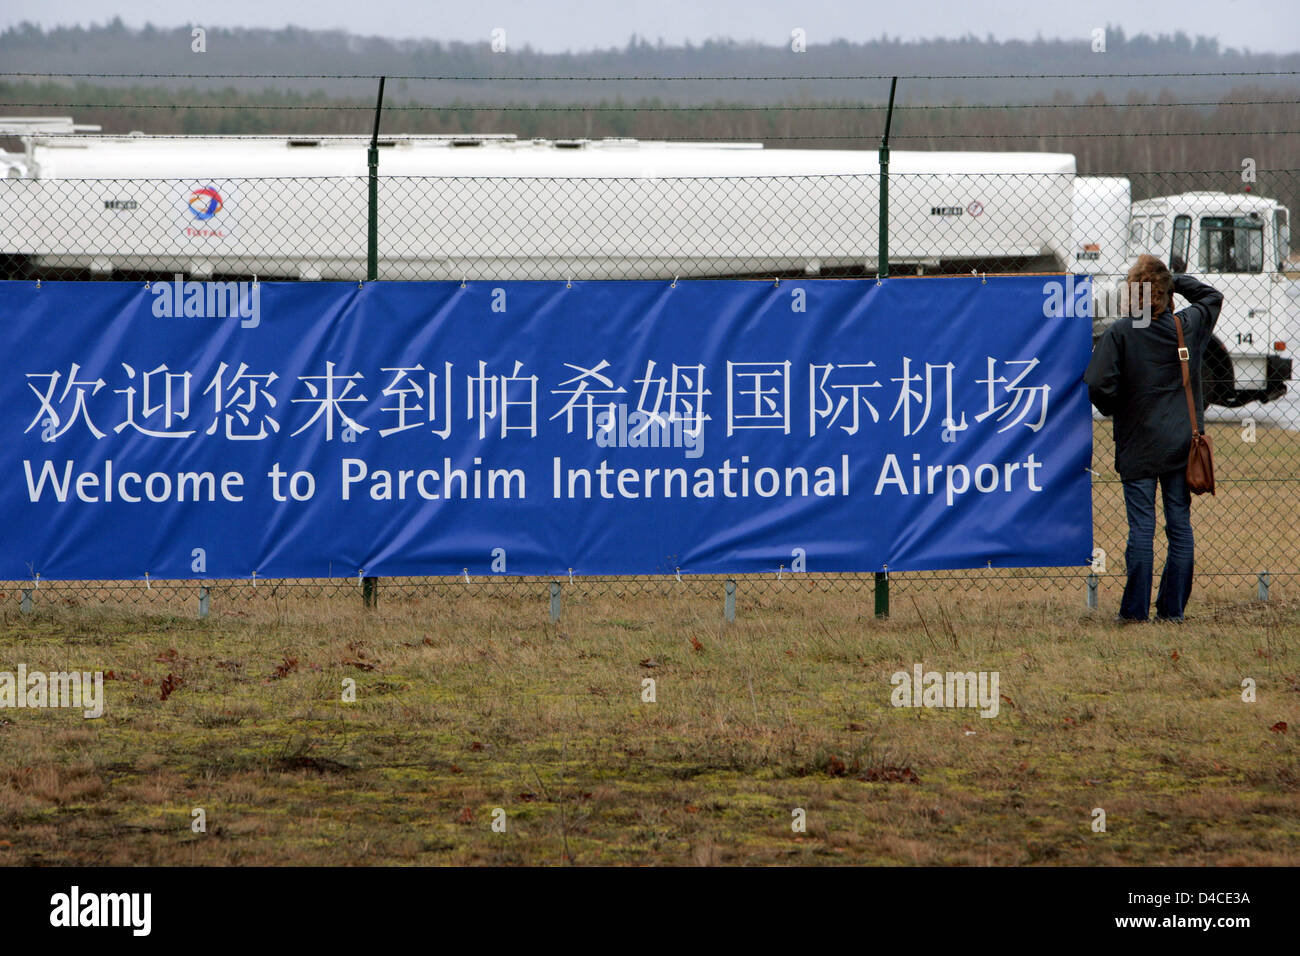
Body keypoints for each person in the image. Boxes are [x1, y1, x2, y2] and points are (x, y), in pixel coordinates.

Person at [1084, 255, 1223, 622]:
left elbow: (1098, 383)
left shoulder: (1120, 333)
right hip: (1181, 444)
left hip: (1138, 445)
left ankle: (1134, 613)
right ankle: (1172, 609)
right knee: (1179, 526)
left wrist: (1116, 405)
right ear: (1166, 292)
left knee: (1141, 529)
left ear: (1133, 291)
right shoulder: (1186, 327)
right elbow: (1211, 296)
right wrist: (1173, 280)